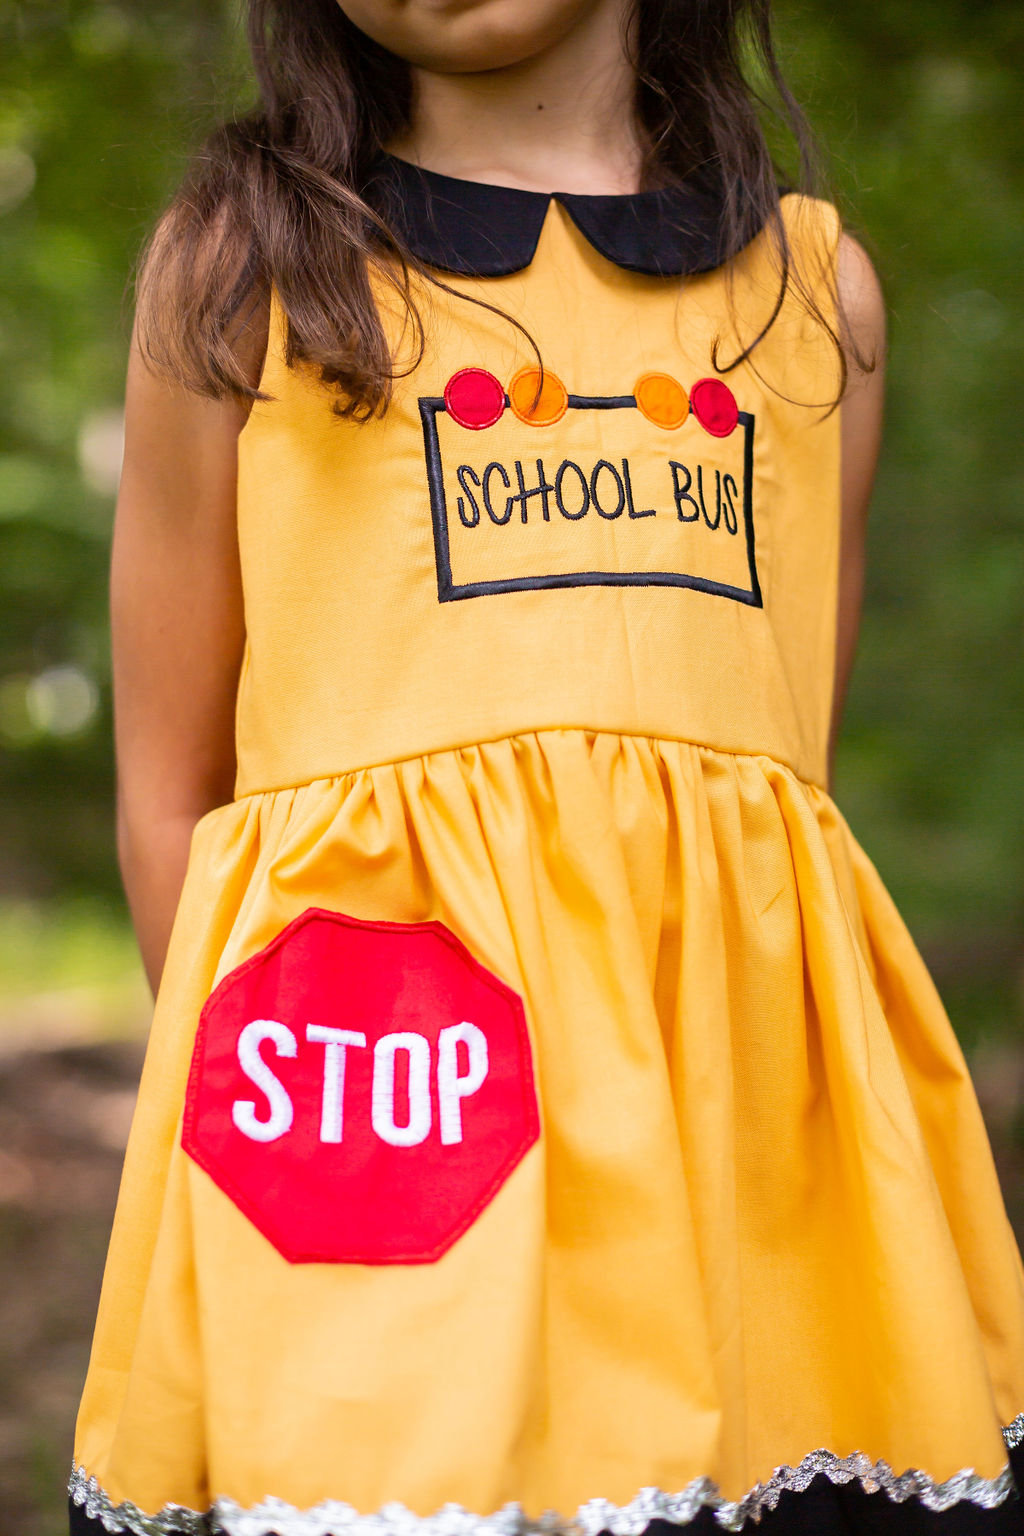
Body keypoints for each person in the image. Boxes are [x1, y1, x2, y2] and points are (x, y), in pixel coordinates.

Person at [68, 1, 1024, 1533]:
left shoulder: (812, 299)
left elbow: (779, 787)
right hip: (381, 1121)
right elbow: (169, 794)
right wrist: (279, 1153)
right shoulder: (247, 266)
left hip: (728, 1140)